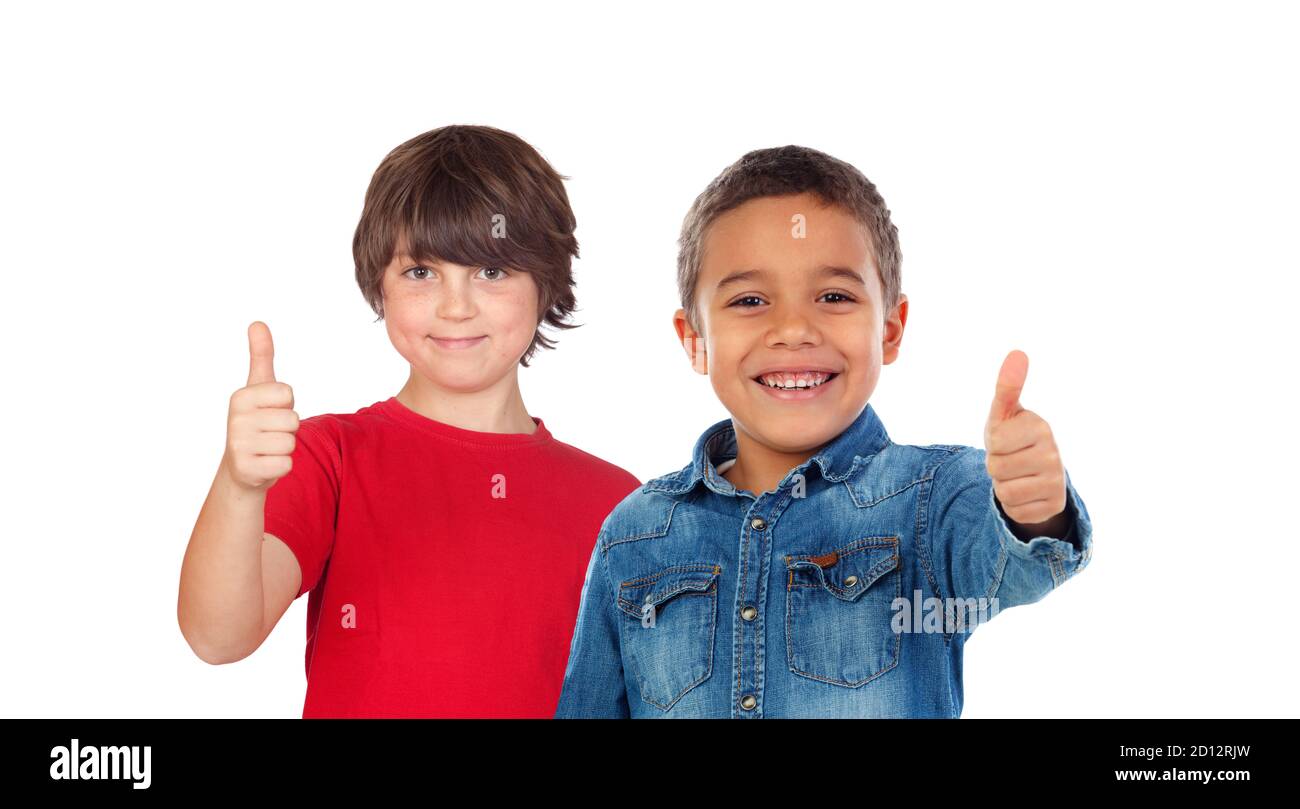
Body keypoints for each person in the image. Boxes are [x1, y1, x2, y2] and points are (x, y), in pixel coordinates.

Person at [554, 145, 1093, 718]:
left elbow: (1016, 566)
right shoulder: (635, 533)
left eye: (834, 296)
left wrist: (1032, 508)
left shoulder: (932, 497)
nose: (793, 329)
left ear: (890, 328)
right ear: (695, 339)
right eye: (750, 300)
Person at [178, 125, 640, 718]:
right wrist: (239, 487)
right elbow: (218, 637)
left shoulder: (621, 505)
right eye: (421, 272)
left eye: (491, 271)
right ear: (380, 286)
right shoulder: (330, 458)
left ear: (545, 281)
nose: (456, 306)